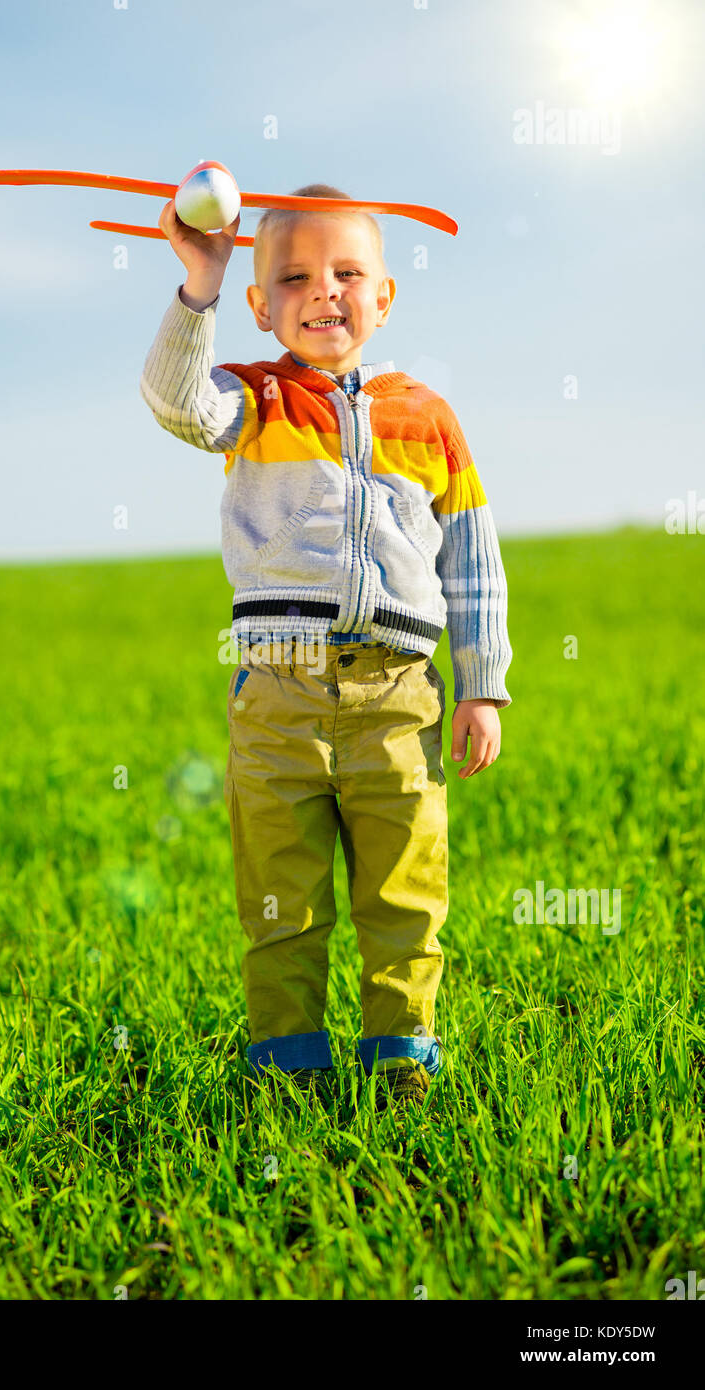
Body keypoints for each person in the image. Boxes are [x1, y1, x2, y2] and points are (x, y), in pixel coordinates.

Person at [140, 184, 512, 1107]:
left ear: (384, 297)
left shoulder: (427, 418)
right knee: (281, 902)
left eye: (348, 272)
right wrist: (200, 285)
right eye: (293, 276)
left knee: (404, 895)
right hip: (278, 697)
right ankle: (289, 1076)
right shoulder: (250, 399)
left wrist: (481, 683)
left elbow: (471, 554)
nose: (324, 292)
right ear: (262, 304)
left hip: (398, 695)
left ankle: (400, 1070)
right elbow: (174, 404)